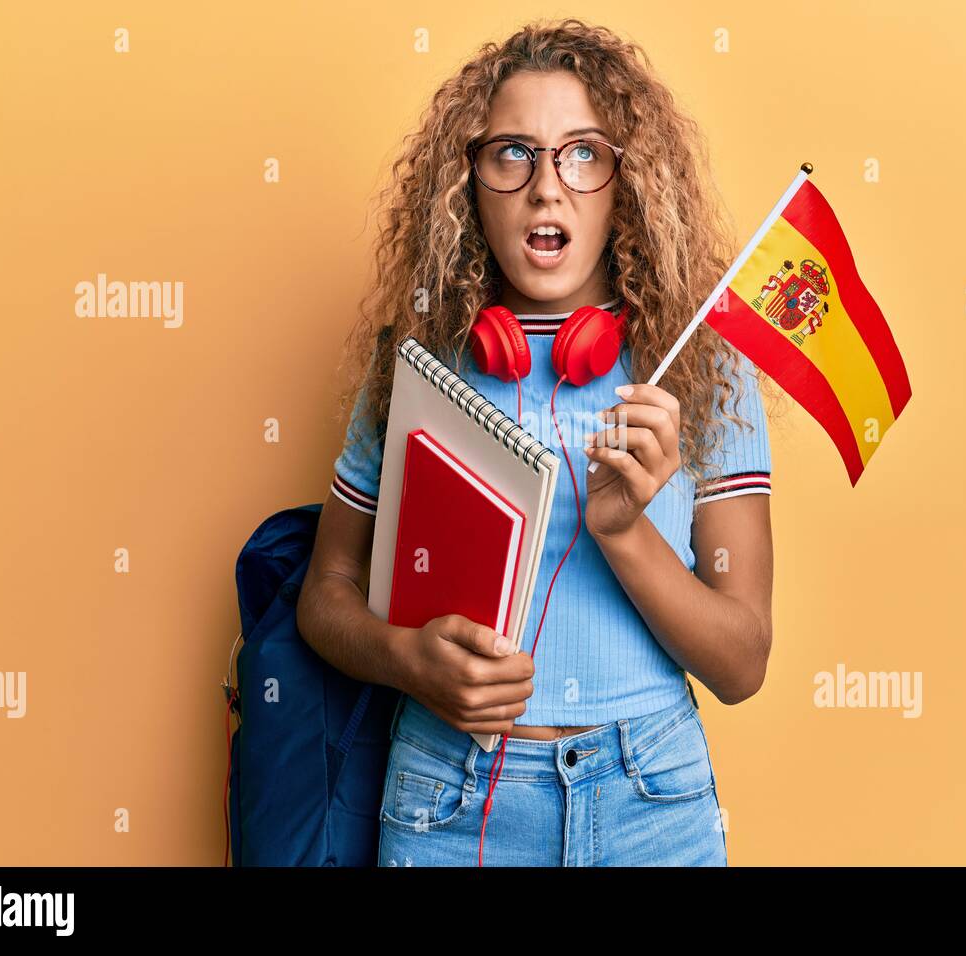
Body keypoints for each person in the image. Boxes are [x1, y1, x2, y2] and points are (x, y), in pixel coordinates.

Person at [297, 18, 777, 867]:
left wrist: (624, 531)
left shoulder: (702, 367)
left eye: (584, 154)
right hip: (452, 795)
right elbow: (326, 594)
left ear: (626, 185)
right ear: (468, 181)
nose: (546, 187)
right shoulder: (413, 363)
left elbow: (741, 665)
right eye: (512, 153)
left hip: (652, 801)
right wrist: (407, 658)